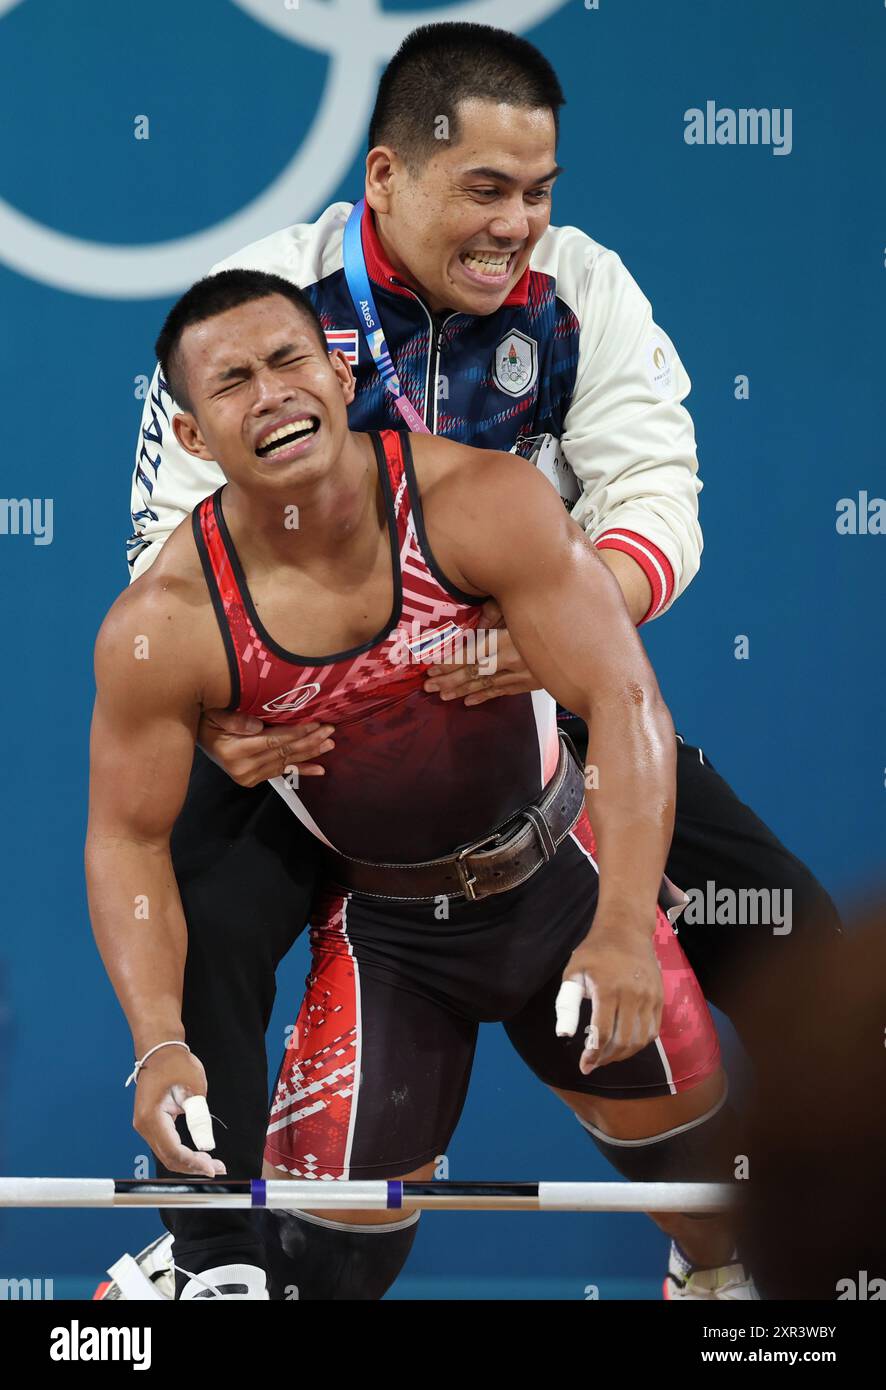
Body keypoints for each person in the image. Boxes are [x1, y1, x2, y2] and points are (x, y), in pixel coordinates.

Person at [123, 21, 837, 1296]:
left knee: (796, 932)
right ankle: (213, 1262)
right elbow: (163, 551)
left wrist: (548, 628)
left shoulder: (579, 289)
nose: (518, 225)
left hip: (527, 711)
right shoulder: (261, 315)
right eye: (486, 190)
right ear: (385, 176)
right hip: (311, 742)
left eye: (539, 190)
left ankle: (811, 1253)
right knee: (206, 918)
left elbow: (656, 490)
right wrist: (222, 716)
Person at [88, 270, 751, 1301]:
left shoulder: (481, 503)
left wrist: (623, 921)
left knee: (716, 1216)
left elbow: (624, 702)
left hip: (563, 886)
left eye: (288, 360)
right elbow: (127, 842)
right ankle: (188, 1272)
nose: (271, 393)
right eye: (231, 383)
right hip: (389, 939)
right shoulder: (164, 622)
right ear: (188, 437)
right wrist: (158, 1041)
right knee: (327, 1264)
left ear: (340, 368)